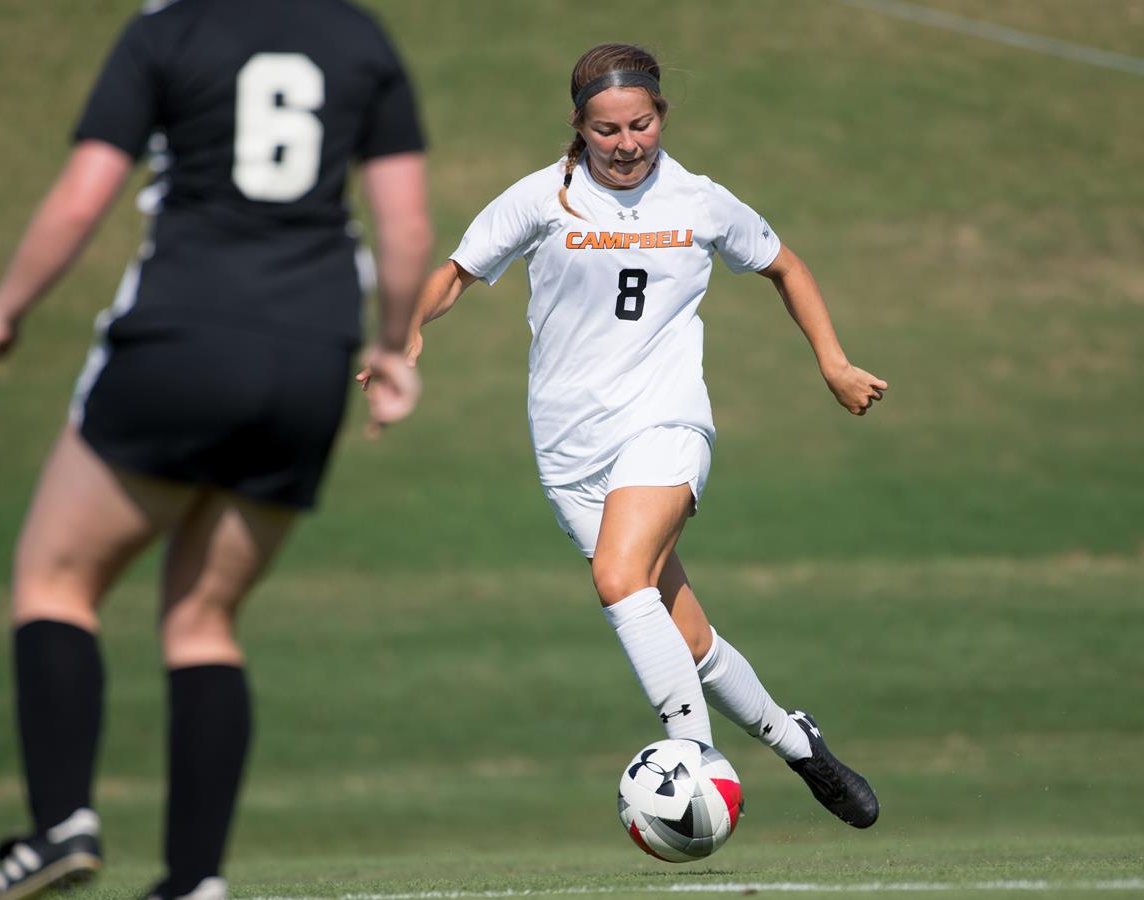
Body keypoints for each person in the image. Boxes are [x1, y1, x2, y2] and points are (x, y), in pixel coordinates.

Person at [0, 1, 430, 897]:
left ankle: (59, 823)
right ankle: (195, 879)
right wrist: (390, 344)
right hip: (309, 355)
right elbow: (404, 223)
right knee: (204, 620)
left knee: (55, 579)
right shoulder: (360, 37)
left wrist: (2, 315)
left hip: (182, 336)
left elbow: (82, 195)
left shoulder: (166, 31)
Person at [359, 43, 886, 829]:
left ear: (661, 117)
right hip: (569, 449)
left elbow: (787, 266)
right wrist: (406, 329)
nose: (627, 143)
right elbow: (456, 273)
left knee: (617, 578)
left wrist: (834, 364)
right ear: (579, 126)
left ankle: (694, 761)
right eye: (607, 130)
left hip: (664, 422)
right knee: (686, 634)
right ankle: (794, 739)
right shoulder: (542, 198)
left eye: (640, 124)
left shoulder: (701, 201)